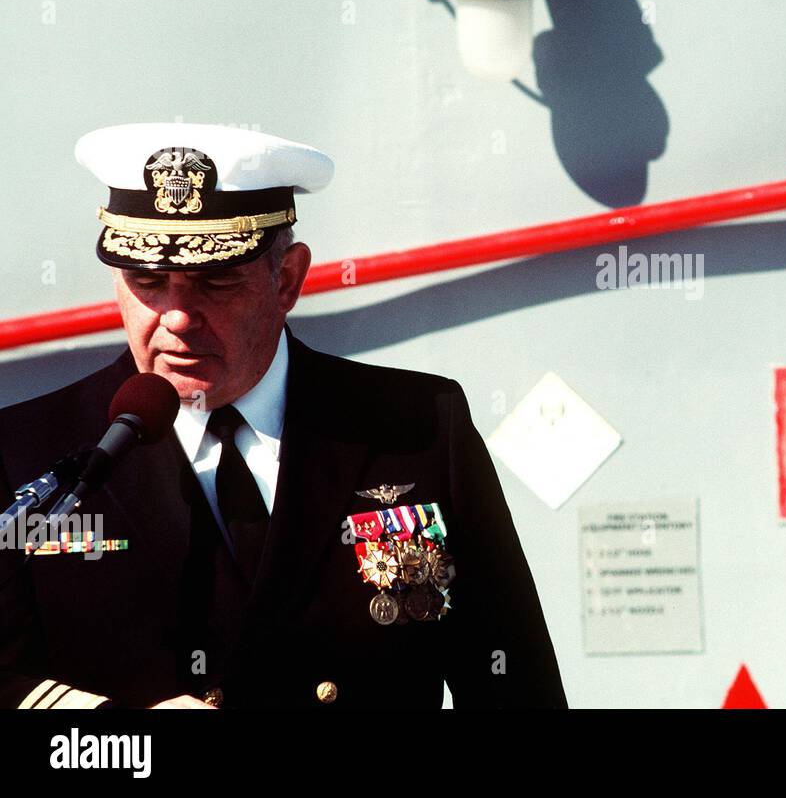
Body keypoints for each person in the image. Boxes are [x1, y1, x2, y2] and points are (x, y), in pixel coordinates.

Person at [0, 123, 567, 709]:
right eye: (147, 282)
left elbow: (515, 682)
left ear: (288, 279)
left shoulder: (417, 427)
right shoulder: (25, 454)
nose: (176, 318)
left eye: (215, 281)